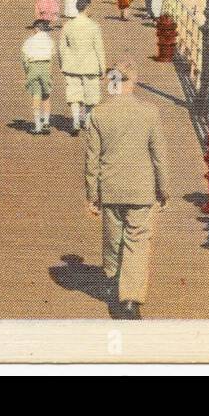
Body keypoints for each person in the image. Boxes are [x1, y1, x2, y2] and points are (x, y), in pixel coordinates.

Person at [85, 61, 169, 320]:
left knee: (113, 236)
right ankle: (130, 298)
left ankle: (112, 278)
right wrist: (163, 190)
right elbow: (159, 156)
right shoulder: (149, 112)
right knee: (137, 242)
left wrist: (92, 195)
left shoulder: (98, 114)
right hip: (141, 189)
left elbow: (91, 159)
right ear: (132, 82)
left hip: (110, 187)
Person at [59, 0, 106, 134]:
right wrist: (102, 67)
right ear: (86, 8)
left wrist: (62, 64)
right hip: (90, 66)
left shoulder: (68, 26)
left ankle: (75, 121)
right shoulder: (94, 26)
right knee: (90, 96)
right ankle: (86, 121)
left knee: (74, 95)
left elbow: (62, 48)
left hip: (72, 66)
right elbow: (99, 48)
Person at [21, 19, 57, 134]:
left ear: (36, 29)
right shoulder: (49, 41)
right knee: (46, 96)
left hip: (33, 67)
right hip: (45, 66)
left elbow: (24, 58)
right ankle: (46, 122)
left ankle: (37, 126)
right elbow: (52, 56)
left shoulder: (29, 41)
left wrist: (28, 71)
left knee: (36, 95)